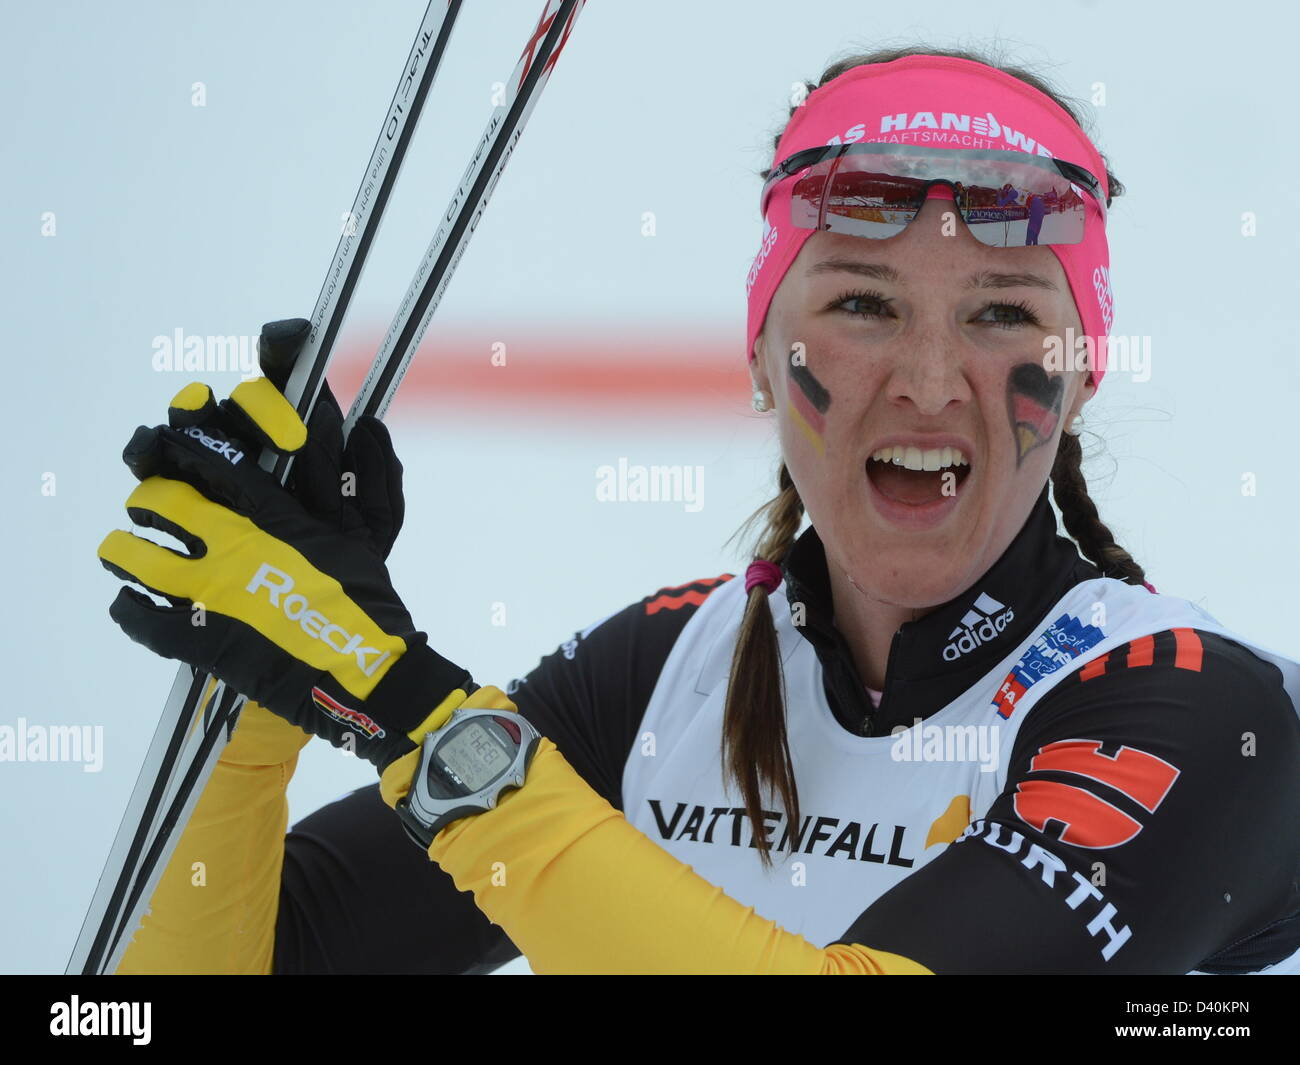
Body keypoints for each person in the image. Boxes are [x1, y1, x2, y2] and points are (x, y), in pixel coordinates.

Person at [97, 46, 1300, 975]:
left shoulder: (1200, 711)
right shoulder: (673, 675)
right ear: (763, 352)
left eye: (999, 314)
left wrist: (419, 719)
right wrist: (263, 674)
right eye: (865, 305)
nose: (930, 382)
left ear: (1082, 370)